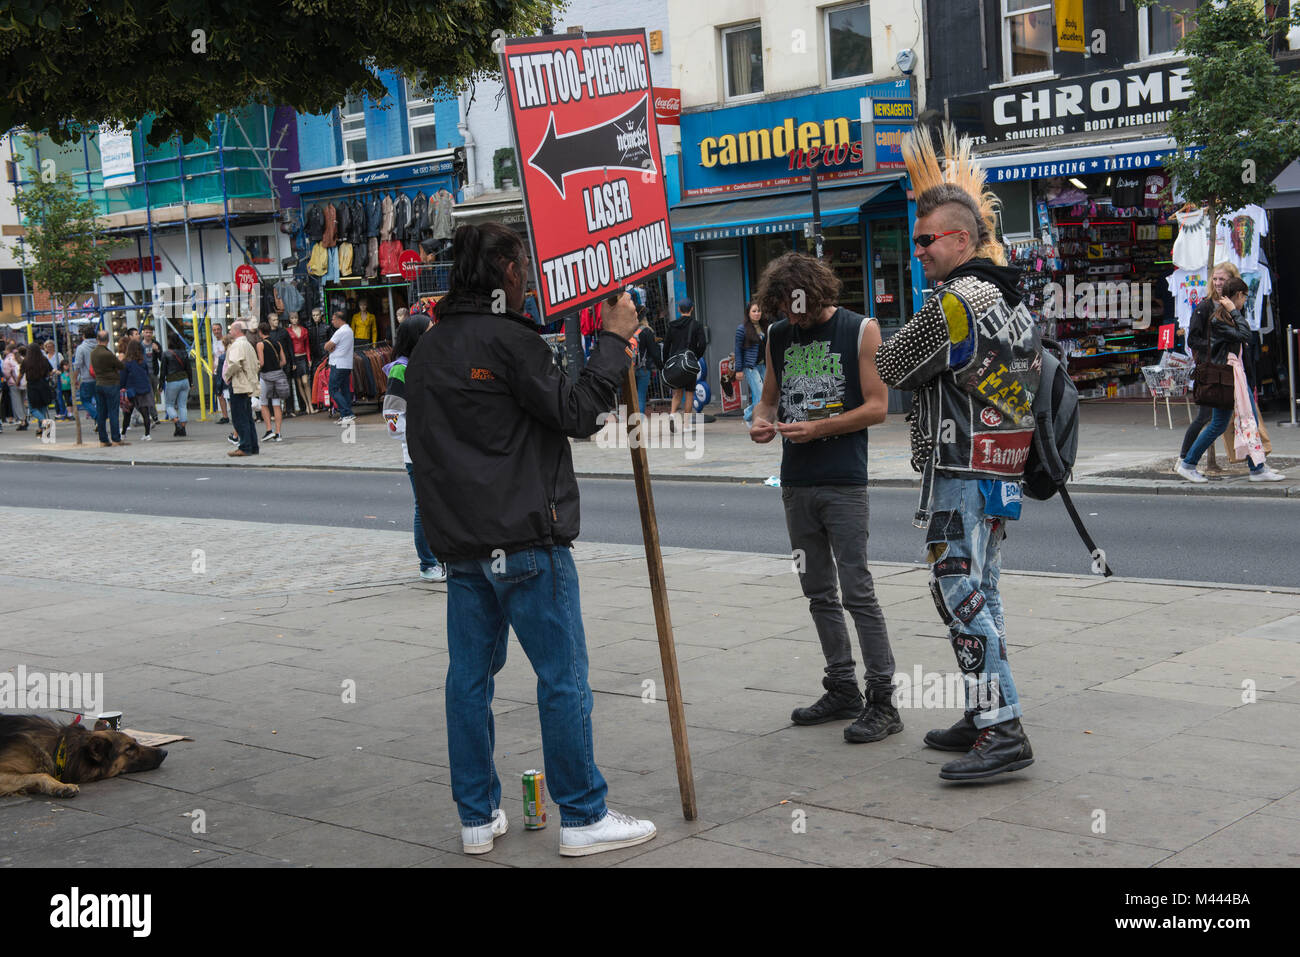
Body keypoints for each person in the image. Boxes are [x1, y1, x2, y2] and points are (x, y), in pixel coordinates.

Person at [406, 221, 656, 857]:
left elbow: (424, 453)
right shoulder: (512, 341)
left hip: (463, 547)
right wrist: (612, 341)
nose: (528, 279)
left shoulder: (431, 347)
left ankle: (477, 816)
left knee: (468, 681)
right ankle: (582, 815)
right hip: (524, 540)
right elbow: (577, 413)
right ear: (506, 272)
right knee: (563, 678)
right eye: (522, 266)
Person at [874, 124, 1037, 781]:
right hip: (999, 467)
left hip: (959, 467)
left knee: (954, 587)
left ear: (962, 239)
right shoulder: (1004, 298)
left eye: (925, 241)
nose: (916, 253)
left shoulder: (955, 303)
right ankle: (982, 709)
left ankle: (1003, 725)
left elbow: (891, 362)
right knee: (983, 589)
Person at [749, 252, 899, 743]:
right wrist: (761, 418)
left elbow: (878, 408)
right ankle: (841, 686)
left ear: (818, 294)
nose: (793, 319)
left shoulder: (861, 330)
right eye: (784, 311)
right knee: (817, 590)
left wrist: (819, 427)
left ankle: (882, 700)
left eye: (800, 309)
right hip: (796, 481)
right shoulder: (777, 336)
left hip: (843, 481)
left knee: (857, 590)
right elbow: (769, 395)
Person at [1176, 276, 1285, 483]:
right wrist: (1235, 311)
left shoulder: (1225, 316)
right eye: (1244, 297)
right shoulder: (1220, 319)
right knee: (1220, 423)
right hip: (1225, 378)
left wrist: (1235, 312)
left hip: (1232, 377)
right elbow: (1246, 335)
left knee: (1246, 418)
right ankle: (1188, 463)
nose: (1245, 301)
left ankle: (1257, 467)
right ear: (1238, 295)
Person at [383, 313, 446, 583]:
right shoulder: (401, 369)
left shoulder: (432, 364)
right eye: (430, 330)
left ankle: (443, 557)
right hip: (419, 452)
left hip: (441, 448)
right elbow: (392, 417)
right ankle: (428, 563)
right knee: (425, 506)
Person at [664, 298, 706, 429]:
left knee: (677, 392)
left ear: (679, 309)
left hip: (675, 364)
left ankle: (672, 414)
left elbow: (666, 346)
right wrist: (696, 357)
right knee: (689, 393)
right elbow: (703, 344)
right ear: (692, 309)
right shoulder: (697, 325)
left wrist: (666, 363)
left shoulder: (672, 325)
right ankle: (686, 425)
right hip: (689, 363)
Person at [223, 320, 260, 457]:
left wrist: (227, 375)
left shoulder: (237, 345)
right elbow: (256, 364)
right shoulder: (248, 344)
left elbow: (234, 364)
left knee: (239, 417)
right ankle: (253, 446)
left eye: (231, 329)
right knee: (248, 417)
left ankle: (244, 446)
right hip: (248, 384)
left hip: (239, 384)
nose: (229, 332)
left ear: (237, 331)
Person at [732, 298, 769, 426]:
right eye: (754, 311)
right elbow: (738, 350)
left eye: (759, 311)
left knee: (766, 395)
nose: (757, 313)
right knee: (759, 394)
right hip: (750, 367)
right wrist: (739, 370)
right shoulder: (742, 329)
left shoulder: (765, 327)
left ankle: (749, 414)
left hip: (764, 365)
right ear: (748, 313)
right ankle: (751, 417)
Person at [90, 330, 126, 447]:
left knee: (101, 412)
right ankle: (116, 438)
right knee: (113, 412)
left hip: (99, 383)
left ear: (97, 339)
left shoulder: (93, 353)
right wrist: (121, 359)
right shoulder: (108, 354)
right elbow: (120, 366)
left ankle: (103, 439)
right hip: (111, 384)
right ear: (108, 340)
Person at [255, 322, 290, 442]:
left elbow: (262, 363)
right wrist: (275, 367)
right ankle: (278, 433)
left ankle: (269, 430)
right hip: (278, 376)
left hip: (266, 377)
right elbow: (284, 361)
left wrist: (255, 369)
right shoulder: (277, 343)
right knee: (276, 405)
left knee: (264, 403)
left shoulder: (260, 344)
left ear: (260, 332)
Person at [323, 310, 355, 425]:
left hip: (338, 364)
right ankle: (344, 415)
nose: (332, 321)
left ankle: (347, 412)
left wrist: (330, 347)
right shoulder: (349, 330)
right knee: (345, 389)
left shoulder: (340, 332)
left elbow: (327, 346)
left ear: (338, 319)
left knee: (333, 389)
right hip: (346, 364)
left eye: (333, 319)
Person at [119, 339, 154, 441]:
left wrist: (121, 388)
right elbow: (147, 374)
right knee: (145, 412)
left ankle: (123, 433)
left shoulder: (126, 363)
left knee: (127, 414)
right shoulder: (142, 362)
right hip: (143, 390)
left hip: (131, 391)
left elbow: (122, 378)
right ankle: (147, 434)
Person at [20, 344, 56, 440]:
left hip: (32, 386)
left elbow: (21, 373)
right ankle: (42, 429)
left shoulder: (26, 361)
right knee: (42, 407)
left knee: (33, 408)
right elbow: (51, 371)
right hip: (43, 385)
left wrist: (17, 382)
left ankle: (43, 421)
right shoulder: (43, 359)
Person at [160, 340, 191, 438]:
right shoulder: (184, 353)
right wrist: (191, 382)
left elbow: (163, 370)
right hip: (185, 380)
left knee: (169, 405)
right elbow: (189, 368)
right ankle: (182, 429)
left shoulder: (166, 354)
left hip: (172, 381)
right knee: (182, 405)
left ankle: (177, 422)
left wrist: (161, 384)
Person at [633, 308, 662, 414]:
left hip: (629, 368)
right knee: (640, 396)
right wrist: (661, 366)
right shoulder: (646, 331)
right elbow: (654, 352)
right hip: (643, 368)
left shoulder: (628, 330)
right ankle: (638, 422)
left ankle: (627, 421)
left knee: (630, 397)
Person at [287, 312, 316, 414]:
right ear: (290, 319)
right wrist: (291, 361)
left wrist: (308, 359)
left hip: (303, 357)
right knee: (299, 383)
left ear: (298, 319)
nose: (294, 320)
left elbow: (307, 345)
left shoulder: (304, 330)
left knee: (305, 382)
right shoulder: (288, 331)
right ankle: (307, 406)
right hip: (295, 359)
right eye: (292, 318)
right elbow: (289, 348)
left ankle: (310, 404)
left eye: (295, 318)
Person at [72, 324, 98, 423]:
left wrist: (75, 380)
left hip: (87, 378)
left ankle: (97, 416)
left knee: (86, 400)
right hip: (100, 378)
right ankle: (99, 421)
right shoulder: (99, 345)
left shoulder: (81, 348)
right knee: (99, 400)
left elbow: (77, 365)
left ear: (84, 336)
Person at [140, 326, 162, 423]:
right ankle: (154, 416)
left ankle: (151, 415)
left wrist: (157, 350)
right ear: (143, 333)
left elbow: (162, 358)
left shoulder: (155, 344)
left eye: (150, 332)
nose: (148, 334)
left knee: (153, 395)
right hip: (144, 374)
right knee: (149, 395)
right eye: (146, 332)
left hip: (154, 373)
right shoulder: (139, 345)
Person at [3, 345, 27, 430]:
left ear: (8, 350)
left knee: (17, 403)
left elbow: (6, 373)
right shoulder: (21, 357)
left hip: (13, 383)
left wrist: (8, 379)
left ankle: (22, 420)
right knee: (22, 401)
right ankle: (25, 417)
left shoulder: (8, 360)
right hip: (23, 383)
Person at [211, 322, 230, 423]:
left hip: (225, 370)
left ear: (221, 329)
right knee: (219, 394)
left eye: (218, 329)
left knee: (228, 394)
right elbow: (215, 357)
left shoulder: (226, 341)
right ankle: (225, 416)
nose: (216, 331)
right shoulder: (214, 343)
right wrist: (213, 370)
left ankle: (235, 415)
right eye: (214, 330)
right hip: (217, 371)